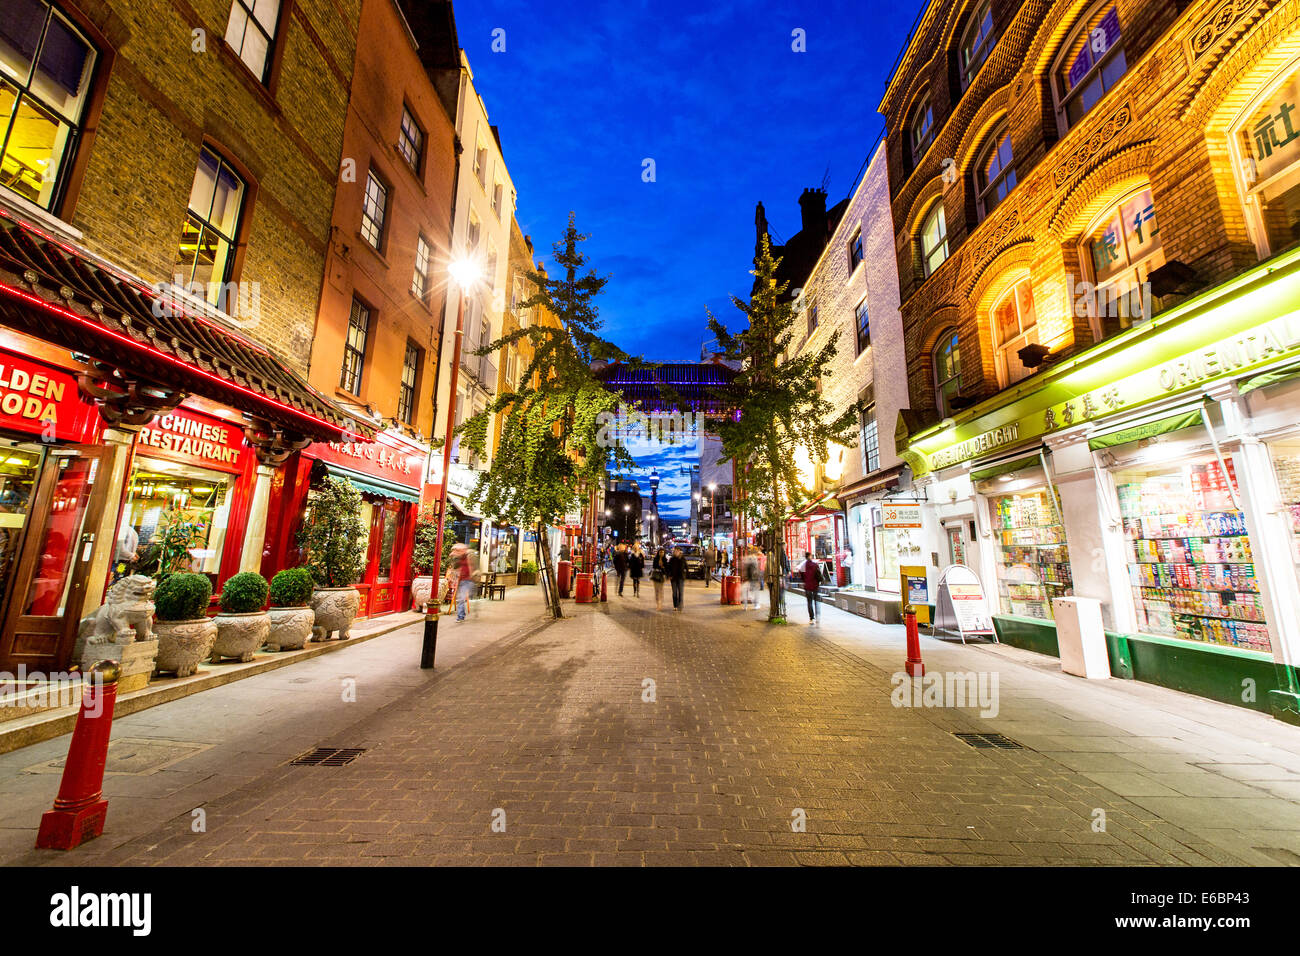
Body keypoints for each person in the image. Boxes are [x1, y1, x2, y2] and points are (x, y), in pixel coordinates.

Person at [798, 550, 822, 624]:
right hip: (815, 585)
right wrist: (819, 581)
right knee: (816, 601)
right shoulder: (815, 565)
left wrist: (805, 581)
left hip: (807, 586)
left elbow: (801, 576)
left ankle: (811, 618)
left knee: (809, 602)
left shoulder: (803, 566)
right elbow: (819, 575)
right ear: (809, 556)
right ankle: (817, 617)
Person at [452, 543, 474, 622]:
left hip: (468, 580)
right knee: (460, 598)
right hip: (462, 580)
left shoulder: (469, 556)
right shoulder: (459, 558)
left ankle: (460, 617)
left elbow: (473, 566)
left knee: (461, 598)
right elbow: (455, 567)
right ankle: (462, 614)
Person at [668, 546, 686, 611]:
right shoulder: (672, 559)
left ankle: (680, 605)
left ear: (680, 551)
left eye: (678, 550)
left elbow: (685, 567)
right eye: (675, 550)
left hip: (680, 578)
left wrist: (687, 576)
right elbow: (669, 568)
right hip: (673, 578)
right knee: (674, 592)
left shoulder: (682, 558)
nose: (676, 552)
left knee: (681, 592)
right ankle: (675, 605)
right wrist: (669, 575)